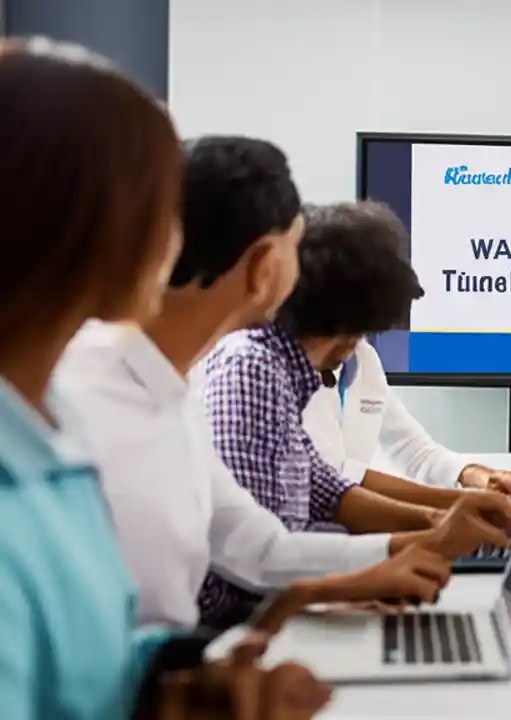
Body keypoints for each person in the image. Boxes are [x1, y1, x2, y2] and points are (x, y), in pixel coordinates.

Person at [54, 136, 511, 632]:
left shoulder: (168, 387)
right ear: (265, 266)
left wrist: (421, 542)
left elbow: (259, 545)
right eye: (298, 245)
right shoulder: (107, 395)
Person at [0, 38, 327, 719]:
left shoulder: (52, 427)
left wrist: (175, 682)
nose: (179, 237)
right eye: (162, 206)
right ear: (77, 220)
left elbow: (91, 658)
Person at [199, 199, 511, 628]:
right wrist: (369, 575)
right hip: (239, 627)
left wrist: (441, 523)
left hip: (284, 603)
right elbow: (257, 562)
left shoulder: (283, 369)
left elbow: (328, 490)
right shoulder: (250, 367)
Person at [299, 206, 511, 499]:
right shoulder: (274, 370)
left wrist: (473, 476)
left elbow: (413, 450)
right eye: (350, 332)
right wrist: (452, 507)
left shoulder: (363, 360)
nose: (353, 344)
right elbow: (334, 478)